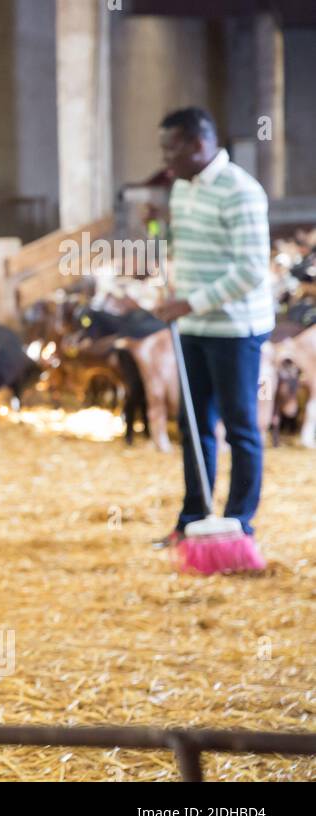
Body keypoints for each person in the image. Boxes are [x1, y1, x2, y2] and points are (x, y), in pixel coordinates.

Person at [150, 107, 274, 550]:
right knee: (194, 424)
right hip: (193, 325)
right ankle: (193, 519)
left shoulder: (242, 191)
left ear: (199, 144)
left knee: (240, 426)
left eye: (172, 149)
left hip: (236, 328)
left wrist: (191, 301)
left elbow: (252, 270)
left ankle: (239, 524)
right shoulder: (182, 188)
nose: (167, 160)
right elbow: (182, 245)